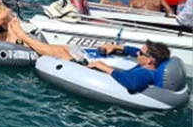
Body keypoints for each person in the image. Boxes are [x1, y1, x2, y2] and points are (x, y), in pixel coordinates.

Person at [10, 19, 170, 92]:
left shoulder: (145, 74)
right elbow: (132, 50)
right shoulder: (147, 64)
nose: (138, 54)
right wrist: (116, 46)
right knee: (65, 48)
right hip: (99, 72)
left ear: (150, 59)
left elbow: (133, 84)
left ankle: (23, 36)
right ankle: (26, 43)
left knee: (60, 52)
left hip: (98, 76)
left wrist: (106, 68)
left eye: (142, 53)